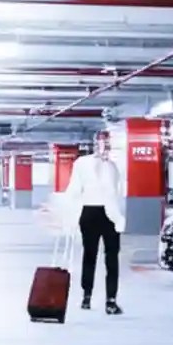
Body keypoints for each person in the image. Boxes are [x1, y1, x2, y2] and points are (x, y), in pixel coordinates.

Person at [58, 135, 126, 315]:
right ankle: (87, 296)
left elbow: (118, 191)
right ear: (94, 145)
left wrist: (120, 218)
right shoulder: (83, 163)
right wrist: (68, 214)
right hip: (91, 211)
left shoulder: (113, 166)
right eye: (101, 143)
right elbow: (74, 189)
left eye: (107, 143)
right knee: (92, 256)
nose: (104, 147)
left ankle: (109, 300)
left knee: (110, 258)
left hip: (109, 214)